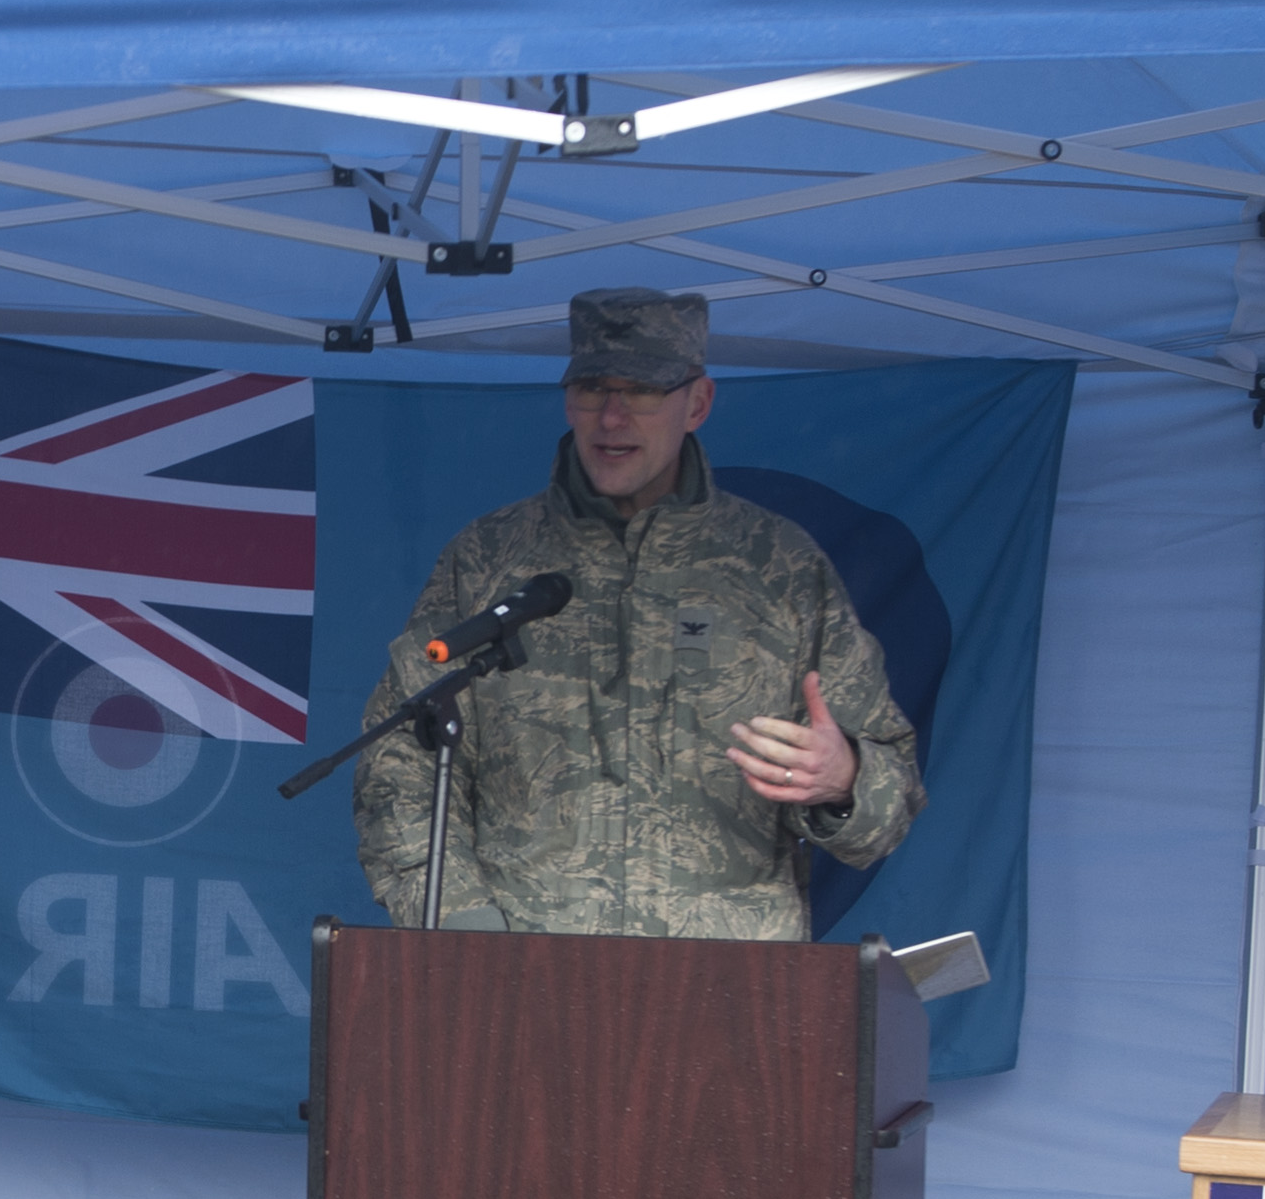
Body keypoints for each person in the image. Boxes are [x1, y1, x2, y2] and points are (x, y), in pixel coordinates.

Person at [353, 288, 920, 940]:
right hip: (520, 992)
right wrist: (465, 926)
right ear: (568, 399)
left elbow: (890, 801)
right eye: (594, 388)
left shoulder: (780, 569)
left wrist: (846, 778)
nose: (613, 417)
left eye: (643, 391)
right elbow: (399, 768)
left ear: (698, 403)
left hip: (728, 999)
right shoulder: (486, 562)